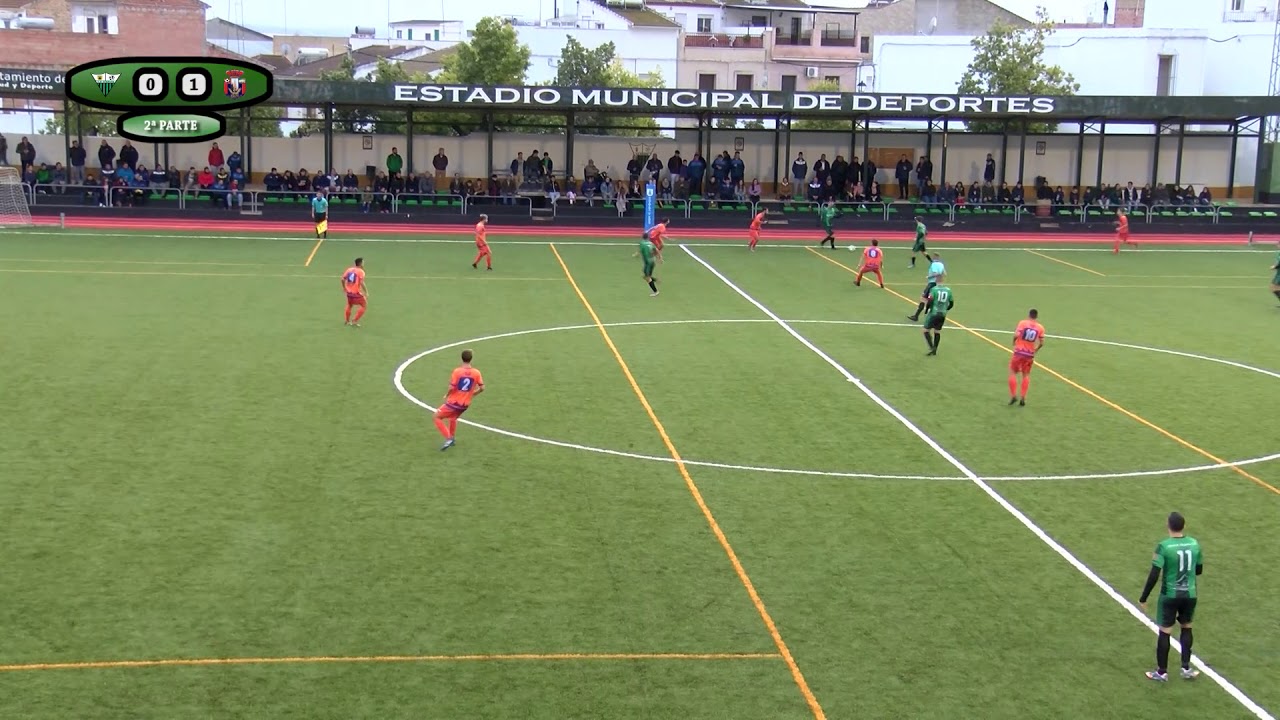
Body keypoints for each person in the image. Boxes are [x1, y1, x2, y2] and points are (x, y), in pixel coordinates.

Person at [1139, 511, 1203, 683]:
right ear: (1183, 526)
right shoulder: (1194, 544)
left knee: (1165, 631)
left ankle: (1162, 672)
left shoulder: (1164, 546)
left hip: (1170, 594)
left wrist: (1143, 597)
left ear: (1168, 525)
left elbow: (1154, 574)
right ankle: (1186, 668)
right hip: (1189, 594)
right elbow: (1199, 570)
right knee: (1187, 627)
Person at [434, 349, 485, 451]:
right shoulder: (476, 372)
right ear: (471, 359)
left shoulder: (457, 371)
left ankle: (448, 438)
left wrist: (446, 395)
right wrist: (472, 394)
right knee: (453, 418)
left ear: (461, 358)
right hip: (465, 404)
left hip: (454, 402)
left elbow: (451, 387)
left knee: (436, 417)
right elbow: (482, 388)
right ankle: (452, 439)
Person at [1008, 309, 1045, 406]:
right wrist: (1035, 350)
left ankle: (1013, 396)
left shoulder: (1023, 323)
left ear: (1029, 315)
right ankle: (1023, 397)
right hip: (1029, 354)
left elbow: (1016, 334)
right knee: (1026, 375)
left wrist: (1013, 342)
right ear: (1036, 317)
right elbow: (1042, 343)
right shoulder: (1040, 327)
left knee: (1012, 372)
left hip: (1019, 352)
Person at [908, 254, 946, 322]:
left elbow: (935, 273)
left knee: (923, 299)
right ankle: (935, 317)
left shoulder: (934, 264)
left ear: (934, 257)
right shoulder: (941, 264)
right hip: (938, 284)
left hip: (931, 284)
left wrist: (929, 277)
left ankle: (916, 316)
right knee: (933, 301)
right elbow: (944, 273)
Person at [921, 283, 954, 356]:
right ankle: (935, 349)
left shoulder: (934, 290)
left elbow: (930, 300)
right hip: (942, 314)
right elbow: (951, 303)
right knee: (937, 331)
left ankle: (932, 347)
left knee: (925, 330)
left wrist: (926, 310)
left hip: (934, 313)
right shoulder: (948, 290)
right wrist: (946, 309)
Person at [341, 258, 367, 326]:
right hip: (356, 293)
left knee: (349, 305)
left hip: (349, 293)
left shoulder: (349, 269)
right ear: (360, 263)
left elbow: (342, 279)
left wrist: (344, 288)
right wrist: (366, 292)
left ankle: (347, 321)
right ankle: (354, 321)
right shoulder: (361, 271)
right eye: (363, 262)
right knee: (364, 306)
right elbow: (361, 282)